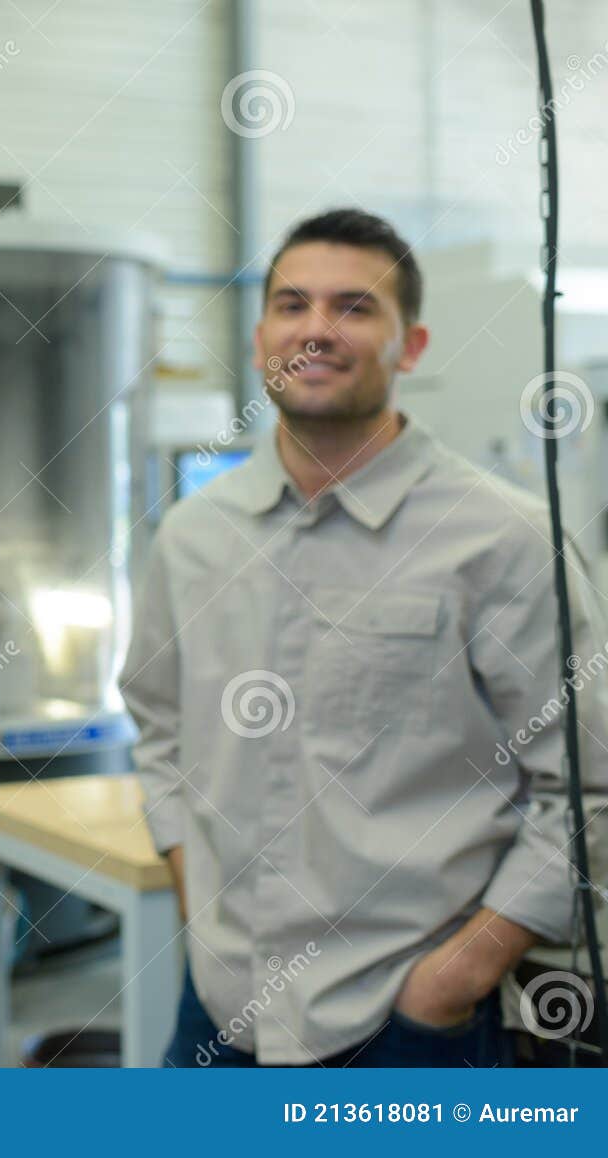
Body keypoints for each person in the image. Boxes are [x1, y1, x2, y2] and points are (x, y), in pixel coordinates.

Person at [120, 208, 607, 1066]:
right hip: (221, 1009)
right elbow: (161, 732)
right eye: (292, 303)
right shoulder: (194, 537)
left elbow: (588, 788)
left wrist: (452, 980)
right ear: (260, 334)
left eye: (354, 307)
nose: (316, 328)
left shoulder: (502, 541)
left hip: (407, 1024)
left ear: (410, 346)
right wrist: (201, 909)